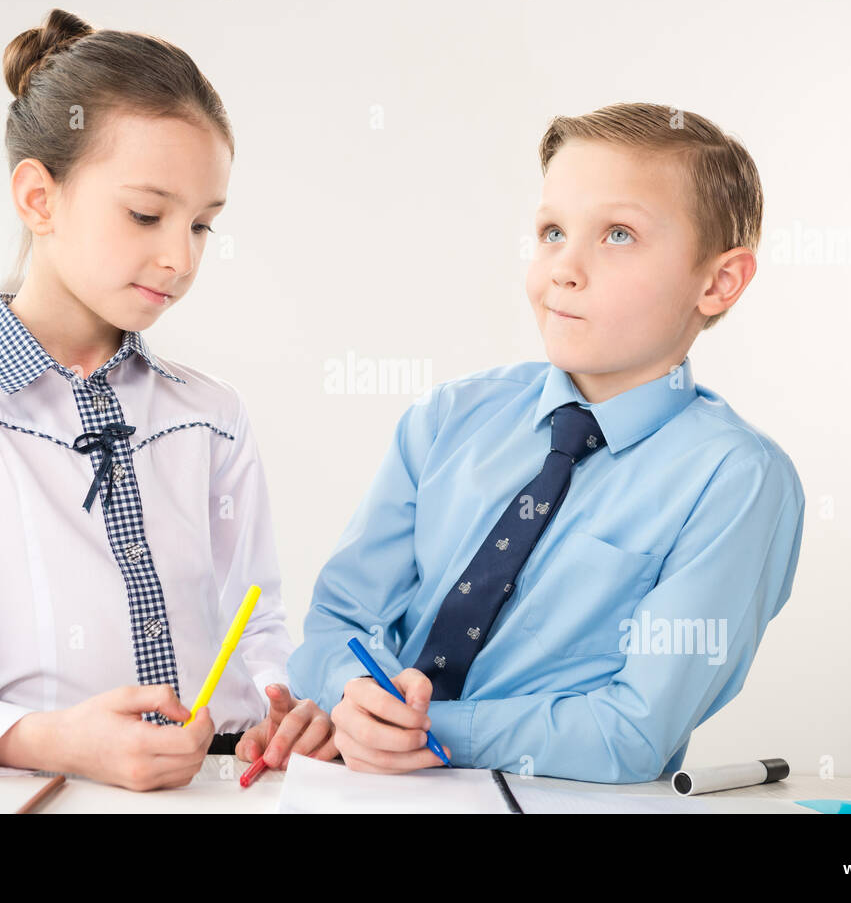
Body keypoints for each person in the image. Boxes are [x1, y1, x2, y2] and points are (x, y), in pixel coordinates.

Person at [0, 8, 335, 791]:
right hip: (54, 793)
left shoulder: (214, 413)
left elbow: (258, 620)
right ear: (38, 198)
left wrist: (279, 698)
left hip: (229, 788)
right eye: (146, 213)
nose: (179, 256)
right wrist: (57, 741)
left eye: (203, 225)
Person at [287, 102, 805, 782]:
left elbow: (631, 728)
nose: (564, 267)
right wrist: (349, 699)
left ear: (718, 281)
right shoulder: (448, 417)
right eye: (552, 230)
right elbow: (339, 619)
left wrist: (419, 728)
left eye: (618, 234)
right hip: (367, 792)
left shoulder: (736, 479)